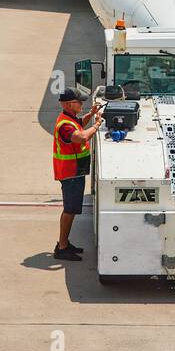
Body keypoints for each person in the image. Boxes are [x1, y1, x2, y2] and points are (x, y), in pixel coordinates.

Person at [53, 89, 104, 261]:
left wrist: (91, 114)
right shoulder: (65, 126)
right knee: (69, 210)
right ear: (68, 104)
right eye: (79, 102)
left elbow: (80, 124)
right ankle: (62, 247)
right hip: (70, 173)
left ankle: (64, 243)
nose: (81, 104)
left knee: (72, 209)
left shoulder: (70, 118)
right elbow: (81, 137)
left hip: (74, 172)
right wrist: (97, 125)